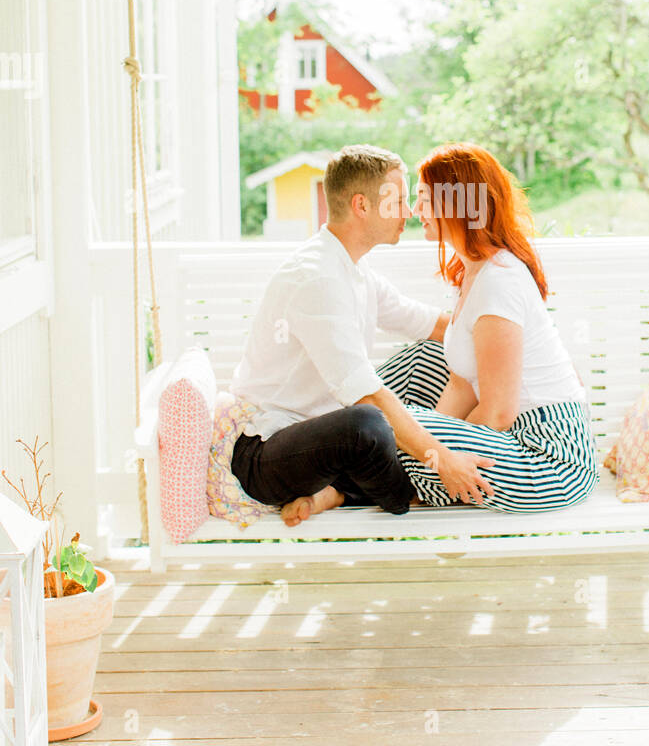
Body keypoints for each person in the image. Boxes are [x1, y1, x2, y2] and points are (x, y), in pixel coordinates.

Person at [229, 144, 496, 526]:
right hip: (267, 452)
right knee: (365, 424)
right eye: (399, 200)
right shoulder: (316, 277)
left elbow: (430, 323)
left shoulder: (354, 270)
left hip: (324, 439)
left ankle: (337, 492)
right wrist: (442, 458)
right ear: (362, 205)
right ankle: (418, 493)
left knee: (430, 354)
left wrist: (514, 345)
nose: (409, 212)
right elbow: (365, 392)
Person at [381, 142, 599, 511]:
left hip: (550, 457)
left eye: (423, 199)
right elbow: (462, 383)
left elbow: (497, 413)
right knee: (417, 372)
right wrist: (431, 441)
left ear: (457, 203)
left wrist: (430, 445)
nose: (416, 211)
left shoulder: (500, 280)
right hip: (512, 433)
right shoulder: (473, 271)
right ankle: (364, 464)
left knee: (391, 421)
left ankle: (350, 479)